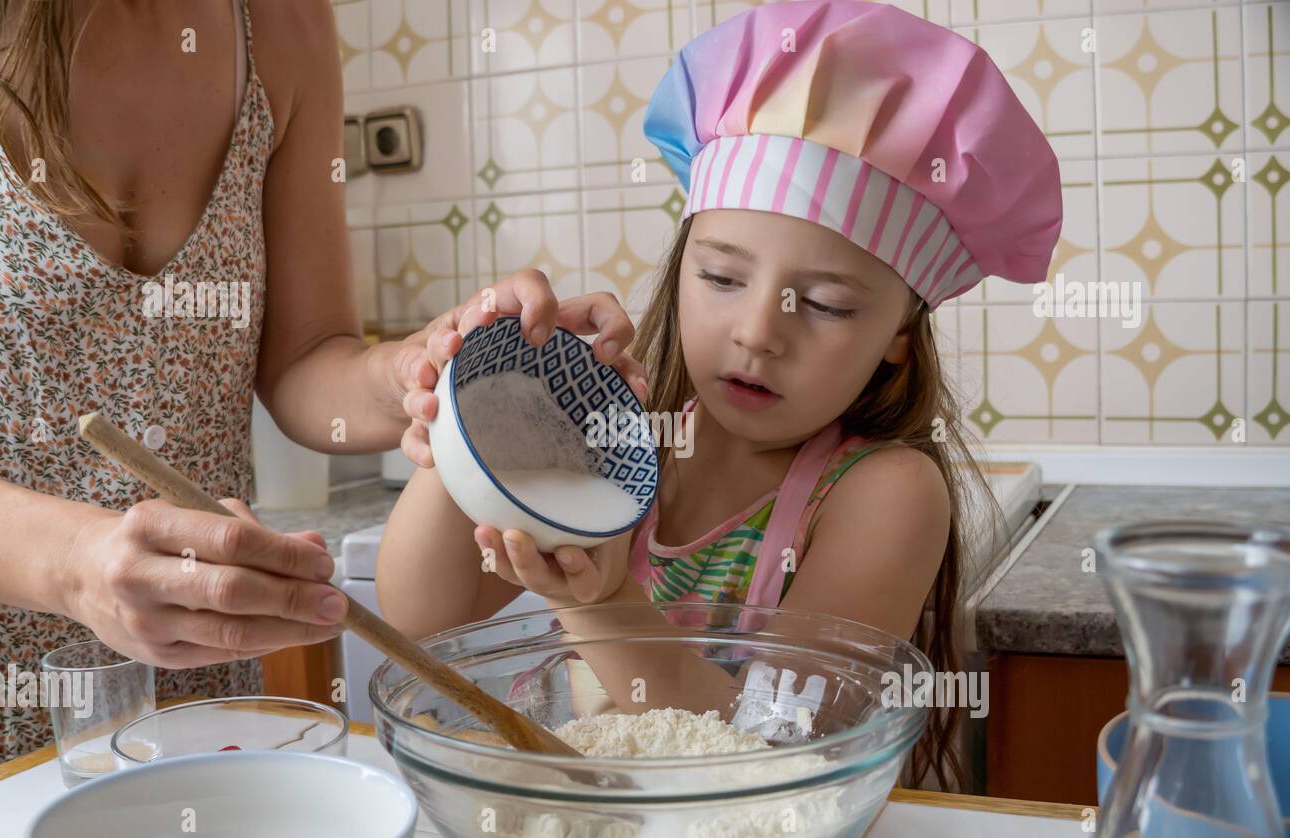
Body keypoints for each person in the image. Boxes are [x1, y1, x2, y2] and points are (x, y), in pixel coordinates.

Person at [380, 0, 1063, 791]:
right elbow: (424, 617)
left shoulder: (885, 493)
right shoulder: (625, 439)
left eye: (827, 304)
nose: (758, 333)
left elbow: (776, 753)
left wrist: (604, 604)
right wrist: (472, 408)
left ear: (898, 336)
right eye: (722, 277)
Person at [0, 0, 645, 767]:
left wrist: (421, 367)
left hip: (202, 677)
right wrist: (77, 565)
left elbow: (307, 358)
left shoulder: (281, 24)